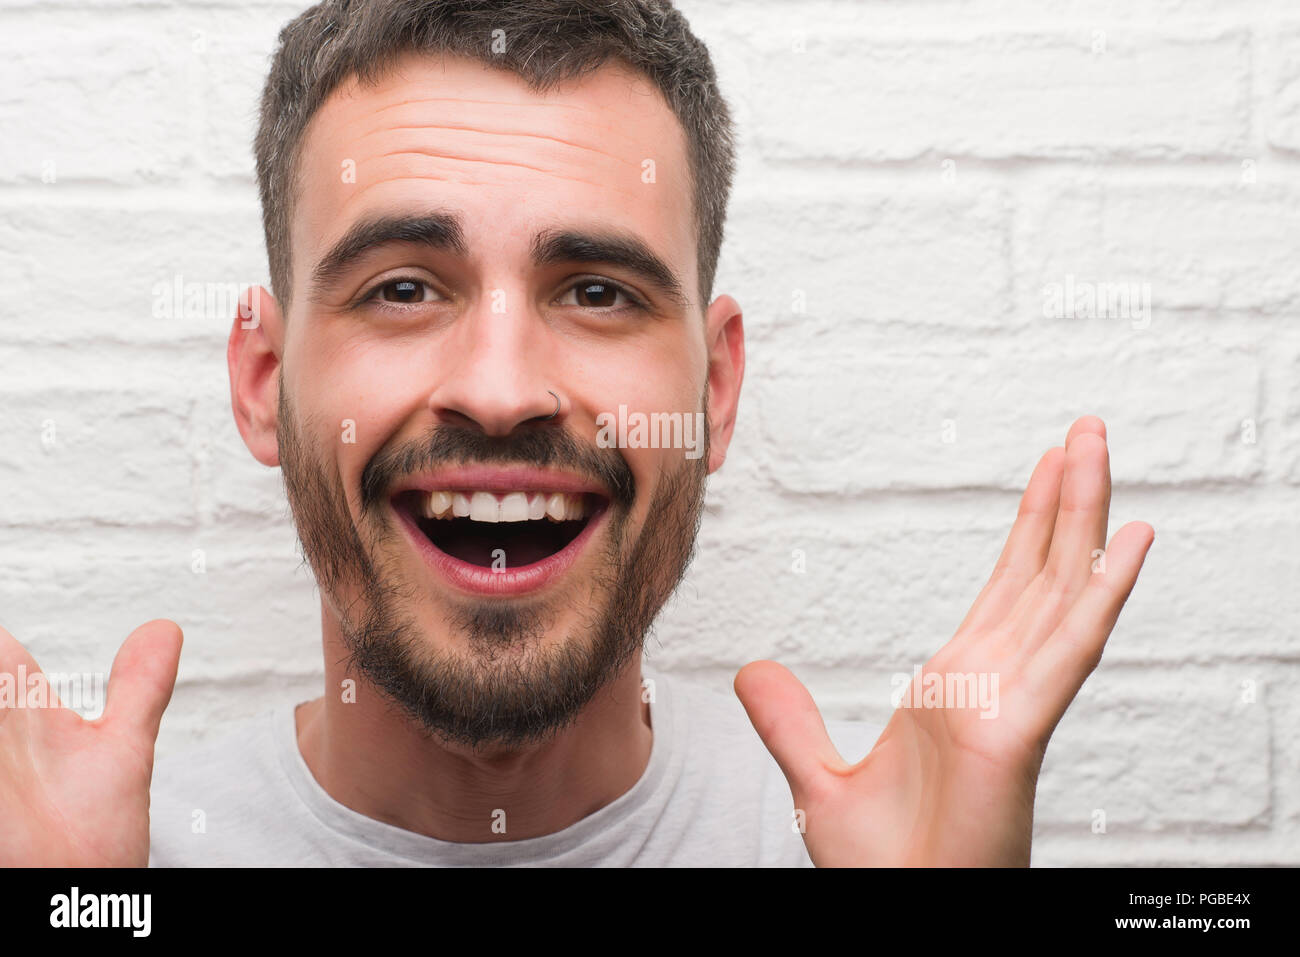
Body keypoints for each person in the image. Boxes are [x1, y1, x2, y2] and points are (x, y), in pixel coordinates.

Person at [0, 0, 1152, 867]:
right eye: (403, 288)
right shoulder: (108, 876)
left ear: (714, 390)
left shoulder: (863, 848)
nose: (501, 392)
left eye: (597, 291)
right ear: (262, 380)